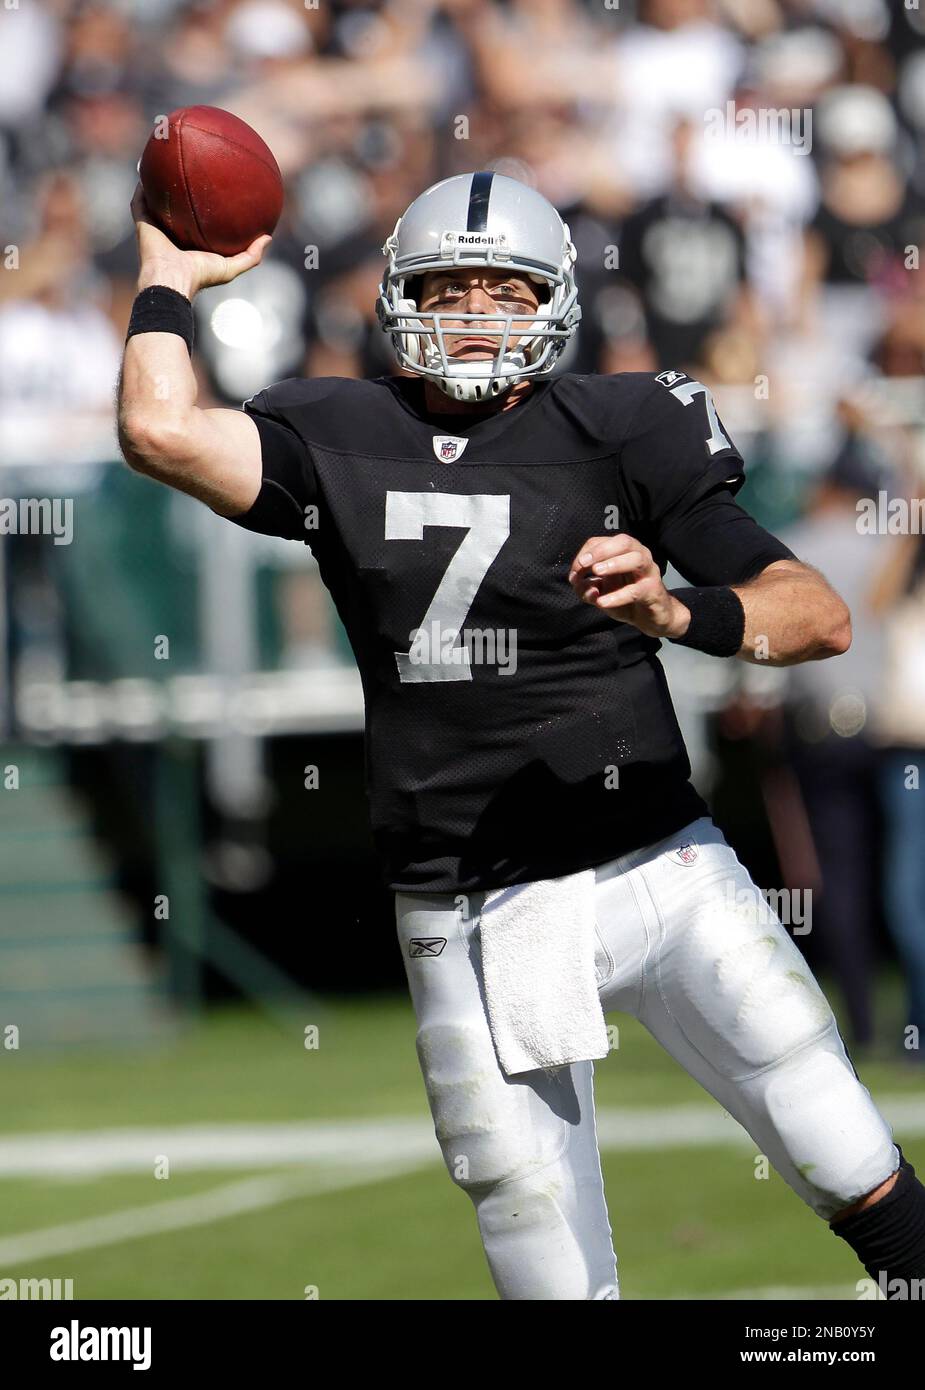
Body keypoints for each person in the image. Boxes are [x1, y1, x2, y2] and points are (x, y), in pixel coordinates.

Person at [117, 171, 925, 1300]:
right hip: (469, 896)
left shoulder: (627, 425)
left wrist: (675, 611)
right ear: (402, 300)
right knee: (542, 1249)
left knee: (848, 1158)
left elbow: (814, 612)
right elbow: (158, 427)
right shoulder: (339, 424)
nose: (476, 314)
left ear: (553, 304)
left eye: (505, 290)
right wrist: (167, 270)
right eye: (450, 290)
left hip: (655, 861)